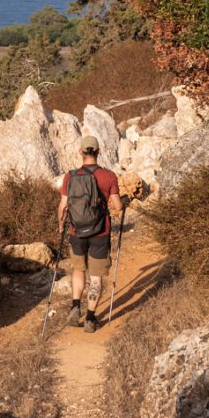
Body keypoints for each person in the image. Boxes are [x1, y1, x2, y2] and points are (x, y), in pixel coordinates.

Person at [57, 135, 125, 333]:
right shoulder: (109, 176)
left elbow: (63, 206)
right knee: (96, 276)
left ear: (80, 152)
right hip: (100, 232)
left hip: (76, 231)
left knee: (79, 270)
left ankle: (75, 306)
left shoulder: (70, 176)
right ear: (98, 152)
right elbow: (118, 207)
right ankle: (89, 318)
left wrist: (61, 226)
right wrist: (125, 202)